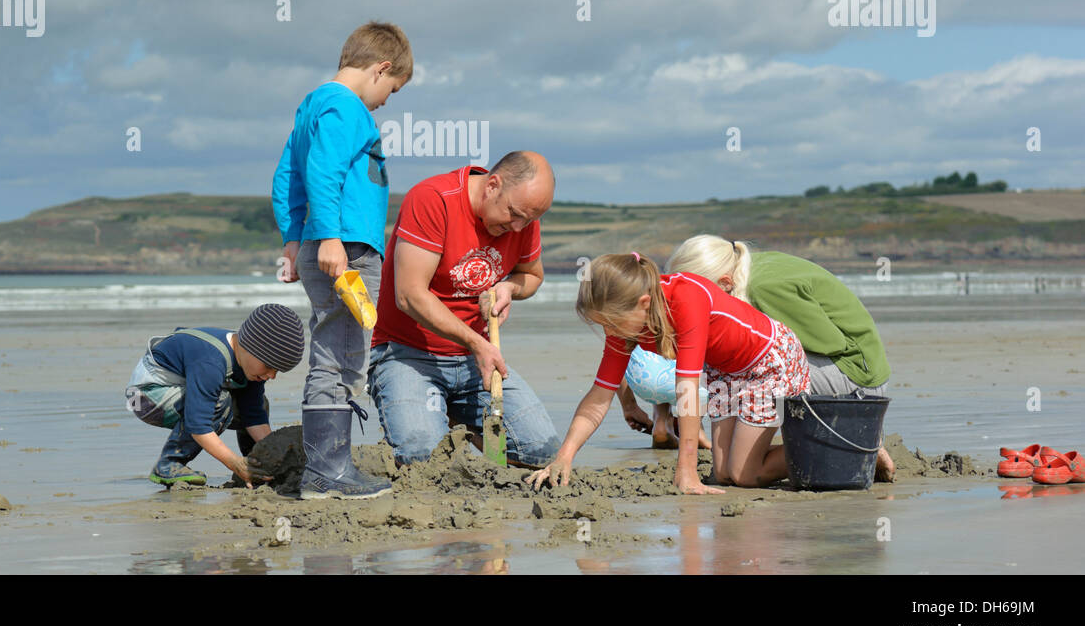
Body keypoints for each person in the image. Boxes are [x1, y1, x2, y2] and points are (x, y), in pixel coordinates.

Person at [527, 253, 810, 493]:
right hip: (726, 372)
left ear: (644, 303)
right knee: (724, 473)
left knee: (745, 475)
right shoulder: (624, 324)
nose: (609, 332)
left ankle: (832, 449)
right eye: (603, 324)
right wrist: (565, 455)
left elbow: (686, 390)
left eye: (612, 323)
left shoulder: (686, 298)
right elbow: (600, 395)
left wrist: (686, 470)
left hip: (769, 361)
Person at [271, 21, 412, 499]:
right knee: (342, 355)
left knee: (334, 346)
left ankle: (329, 467)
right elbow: (322, 170)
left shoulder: (311, 104)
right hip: (345, 247)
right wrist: (329, 236)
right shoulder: (345, 107)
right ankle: (328, 472)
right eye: (389, 91)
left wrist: (294, 238)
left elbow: (288, 172)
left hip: (322, 241)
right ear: (381, 68)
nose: (385, 102)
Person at [368, 151, 561, 467]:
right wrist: (475, 342)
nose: (518, 227)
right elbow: (409, 295)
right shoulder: (433, 199)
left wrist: (509, 287)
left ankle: (459, 418)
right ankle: (426, 415)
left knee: (543, 452)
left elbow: (532, 276)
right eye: (513, 213)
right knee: (424, 460)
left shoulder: (523, 218)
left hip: (476, 361)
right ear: (492, 185)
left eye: (528, 219)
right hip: (409, 354)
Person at [666, 235, 896, 480]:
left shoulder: (763, 288)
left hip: (854, 372)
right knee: (726, 469)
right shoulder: (744, 267)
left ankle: (853, 444)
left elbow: (831, 343)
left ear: (724, 283)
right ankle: (755, 455)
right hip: (832, 363)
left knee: (760, 370)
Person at [124, 303, 305, 487]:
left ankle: (256, 463)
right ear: (250, 347)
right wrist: (234, 464)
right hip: (145, 395)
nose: (272, 375)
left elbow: (253, 415)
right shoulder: (211, 361)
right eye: (269, 366)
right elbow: (198, 424)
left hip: (178, 387)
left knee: (259, 403)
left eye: (278, 371)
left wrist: (276, 456)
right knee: (220, 402)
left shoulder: (250, 366)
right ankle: (170, 463)